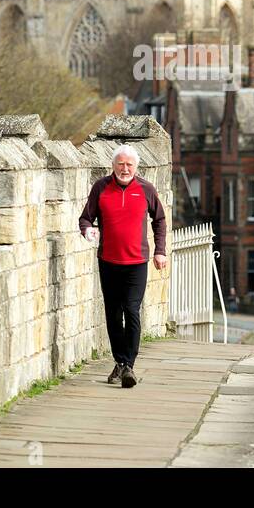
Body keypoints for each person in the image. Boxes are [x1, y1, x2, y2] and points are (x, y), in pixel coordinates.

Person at [78, 144, 167, 389]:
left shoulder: (146, 189)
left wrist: (160, 251)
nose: (125, 169)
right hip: (108, 261)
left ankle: (128, 365)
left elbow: (159, 220)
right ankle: (120, 361)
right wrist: (88, 230)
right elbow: (85, 217)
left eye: (129, 165)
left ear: (136, 167)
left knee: (132, 310)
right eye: (121, 164)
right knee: (113, 314)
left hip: (137, 262)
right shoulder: (101, 188)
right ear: (113, 166)